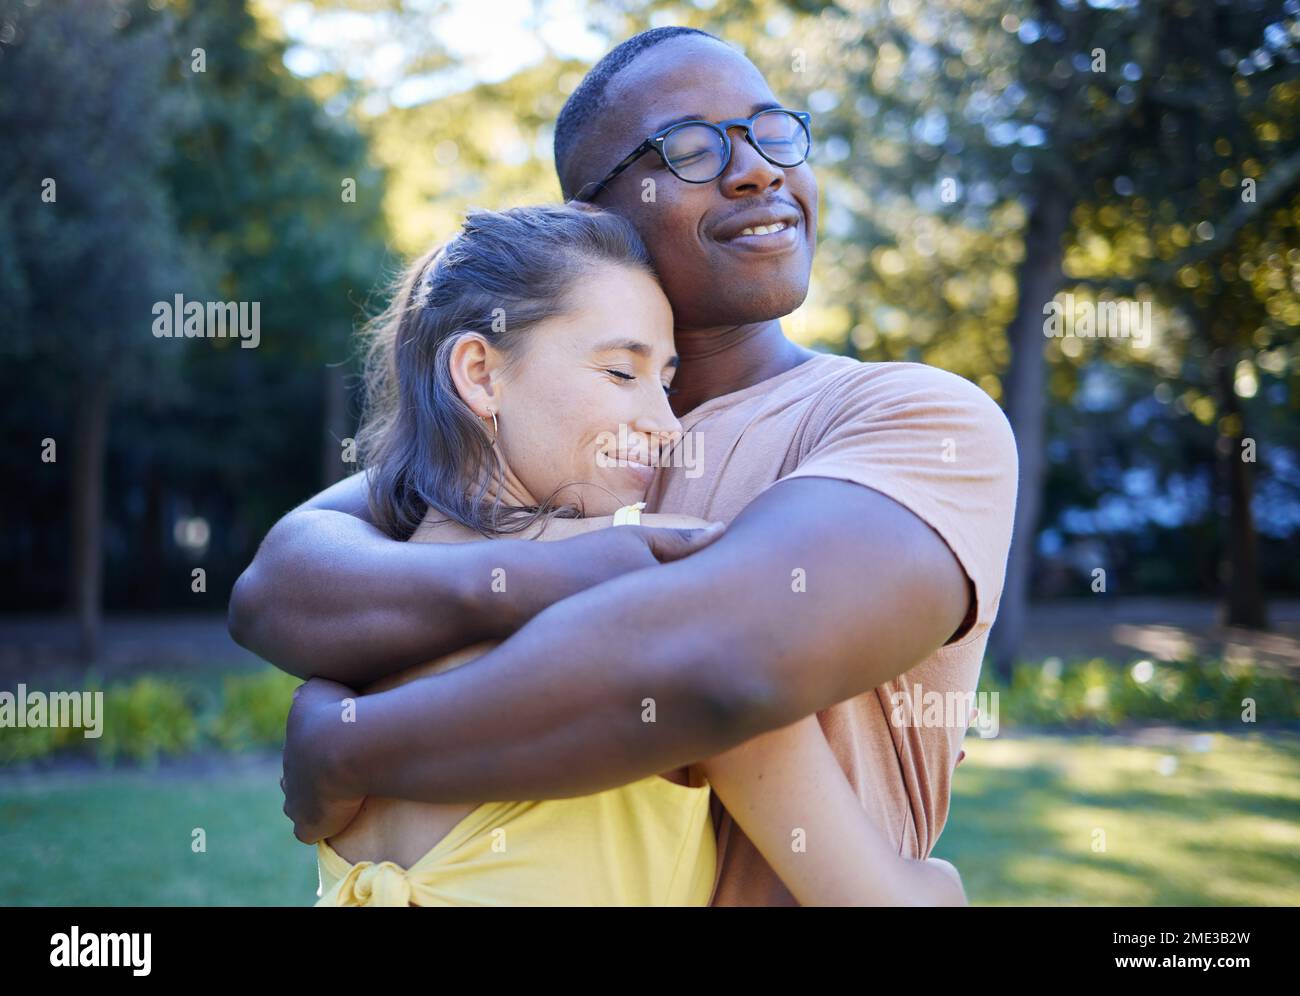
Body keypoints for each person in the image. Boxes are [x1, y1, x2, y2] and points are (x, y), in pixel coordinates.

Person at [231, 26, 1018, 907]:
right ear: (596, 216)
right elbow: (279, 583)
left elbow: (720, 665)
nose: (756, 168)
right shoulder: (551, 447)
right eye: (689, 149)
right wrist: (567, 569)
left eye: (774, 130)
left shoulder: (908, 417)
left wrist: (350, 744)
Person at [312, 202, 965, 906]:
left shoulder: (339, 638)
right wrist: (942, 882)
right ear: (480, 373)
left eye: (667, 380)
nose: (665, 423)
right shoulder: (674, 616)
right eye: (622, 372)